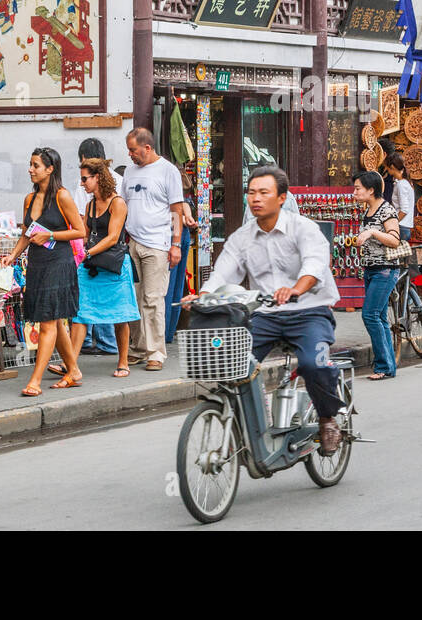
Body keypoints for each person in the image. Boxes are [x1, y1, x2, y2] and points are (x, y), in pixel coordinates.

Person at [188, 165, 343, 455]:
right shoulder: (242, 237)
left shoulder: (304, 229)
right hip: (264, 316)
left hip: (310, 312)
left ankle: (327, 418)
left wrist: (296, 288)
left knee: (315, 365)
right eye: (251, 192)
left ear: (282, 197)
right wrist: (204, 295)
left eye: (263, 192)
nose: (255, 198)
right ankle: (250, 422)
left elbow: (314, 265)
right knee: (231, 362)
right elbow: (224, 271)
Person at [1, 148, 86, 395]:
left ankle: (35, 381)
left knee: (48, 322)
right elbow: (27, 232)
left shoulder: (62, 197)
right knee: (54, 320)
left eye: (35, 165)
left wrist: (51, 235)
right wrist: (12, 255)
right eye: (30, 164)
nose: (30, 169)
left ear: (50, 169)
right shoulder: (29, 199)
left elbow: (80, 231)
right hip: (37, 264)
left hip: (58, 263)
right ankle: (74, 370)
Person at [69, 158, 138, 379]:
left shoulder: (117, 203)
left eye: (84, 179)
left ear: (97, 177)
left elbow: (112, 238)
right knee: (81, 312)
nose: (82, 184)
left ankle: (123, 362)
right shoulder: (89, 205)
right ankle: (71, 363)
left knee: (120, 315)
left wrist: (87, 253)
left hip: (114, 265)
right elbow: (86, 234)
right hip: (93, 265)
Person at [121, 128, 184, 371]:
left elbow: (176, 210)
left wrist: (176, 244)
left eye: (133, 150)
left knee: (153, 299)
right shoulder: (129, 171)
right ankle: (137, 348)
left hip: (157, 244)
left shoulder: (168, 171)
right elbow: (123, 202)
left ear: (147, 148)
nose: (130, 155)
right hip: (132, 243)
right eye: (129, 150)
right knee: (134, 298)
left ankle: (156, 352)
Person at [68, 138, 117, 357]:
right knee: (100, 299)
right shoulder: (118, 181)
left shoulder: (113, 199)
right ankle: (93, 346)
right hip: (102, 253)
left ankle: (101, 344)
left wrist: (85, 251)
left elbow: (85, 226)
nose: (82, 183)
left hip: (102, 254)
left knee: (90, 298)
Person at [352, 170, 403, 380]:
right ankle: (387, 366)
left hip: (385, 269)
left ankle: (383, 366)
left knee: (370, 315)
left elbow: (394, 239)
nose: (354, 192)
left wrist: (371, 232)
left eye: (358, 188)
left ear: (371, 190)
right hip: (371, 268)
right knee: (380, 317)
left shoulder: (386, 209)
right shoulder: (369, 209)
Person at [164, 172, 199, 343]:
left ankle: (163, 335)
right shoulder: (179, 188)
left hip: (170, 233)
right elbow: (183, 206)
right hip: (181, 233)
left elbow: (178, 209)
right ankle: (168, 334)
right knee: (175, 286)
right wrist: (187, 217)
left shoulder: (164, 175)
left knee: (167, 288)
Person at [385, 153, 417, 241]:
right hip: (403, 226)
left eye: (387, 167)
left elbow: (404, 209)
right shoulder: (405, 182)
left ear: (392, 167)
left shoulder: (401, 184)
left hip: (401, 227)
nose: (386, 169)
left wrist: (393, 224)